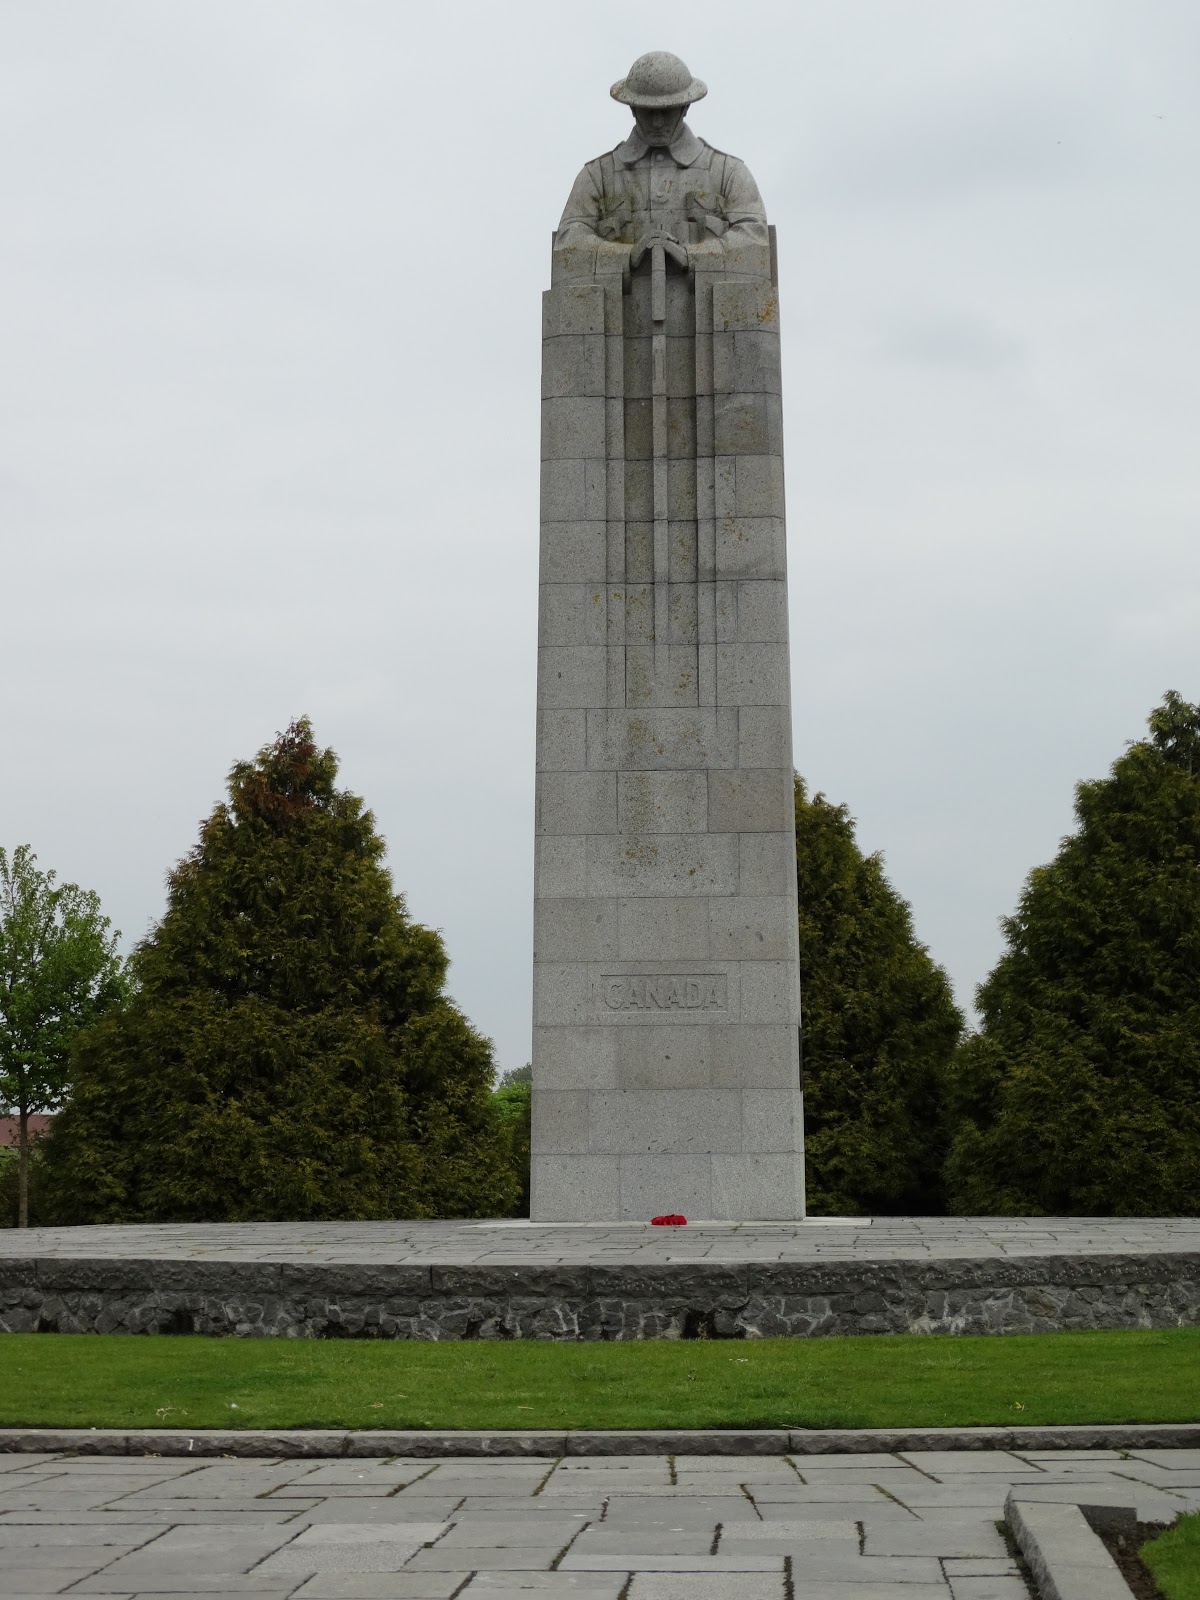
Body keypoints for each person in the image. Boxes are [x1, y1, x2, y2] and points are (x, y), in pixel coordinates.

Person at [555, 51, 769, 279]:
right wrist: (626, 256)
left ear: (685, 107)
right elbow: (568, 244)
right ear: (633, 109)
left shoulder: (728, 172)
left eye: (666, 112)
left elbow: (754, 240)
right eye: (649, 112)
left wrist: (692, 256)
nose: (657, 123)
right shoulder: (596, 175)